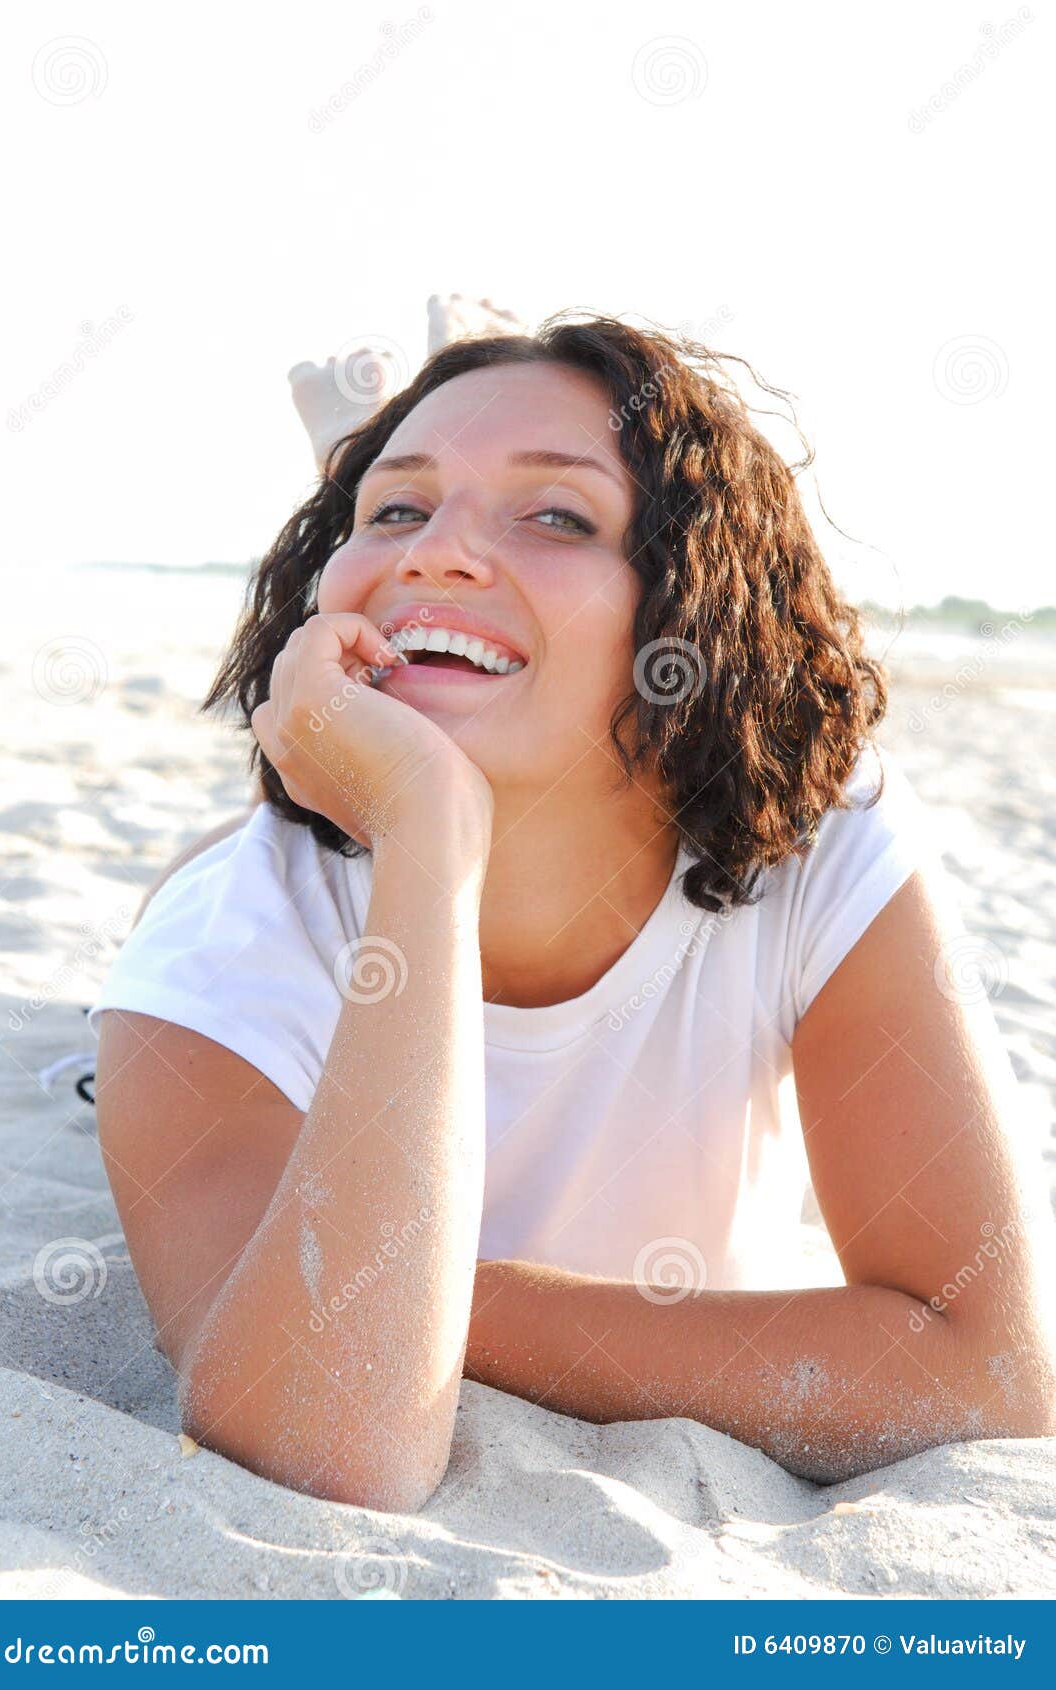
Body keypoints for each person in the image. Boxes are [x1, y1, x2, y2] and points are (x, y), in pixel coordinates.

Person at [89, 295, 1056, 1514]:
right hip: (249, 916)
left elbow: (992, 1372)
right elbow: (331, 1445)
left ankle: (364, 448)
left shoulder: (817, 840)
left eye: (557, 512)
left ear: (691, 613)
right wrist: (428, 834)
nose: (436, 548)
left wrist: (418, 1296)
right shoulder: (228, 937)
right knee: (204, 884)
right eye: (394, 507)